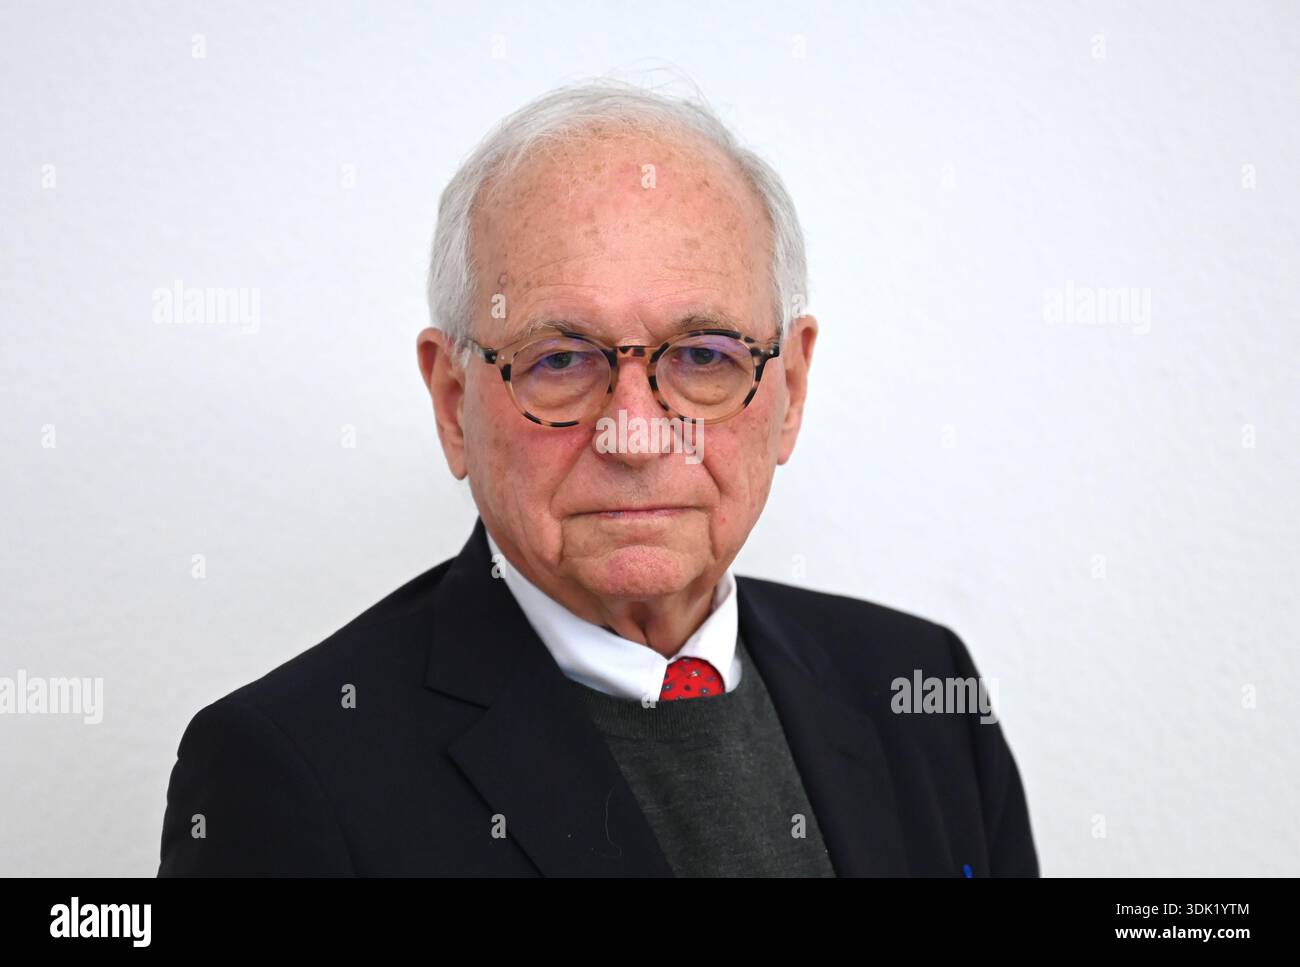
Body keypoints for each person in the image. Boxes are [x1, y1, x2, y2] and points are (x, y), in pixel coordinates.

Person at [157, 78, 1038, 877]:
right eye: (561, 359)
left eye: (703, 354)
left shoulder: (925, 687)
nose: (633, 432)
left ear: (791, 390)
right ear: (451, 398)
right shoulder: (284, 769)